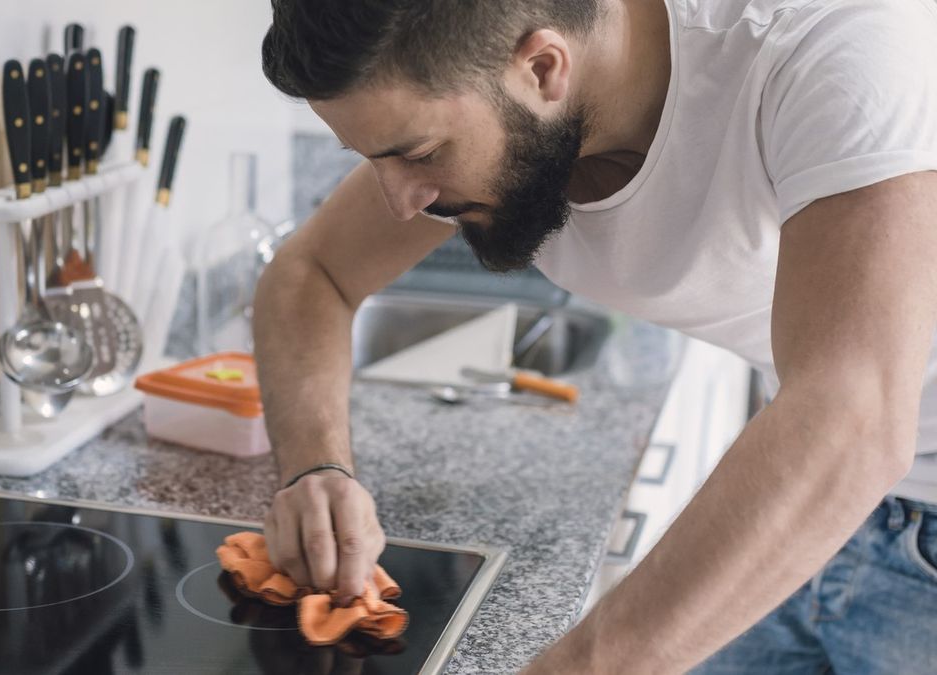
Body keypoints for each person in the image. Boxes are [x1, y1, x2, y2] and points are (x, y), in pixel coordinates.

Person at [252, 0, 937, 671]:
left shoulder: (836, 50)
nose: (400, 199)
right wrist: (317, 468)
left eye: (421, 154)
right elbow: (312, 272)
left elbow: (854, 419)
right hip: (814, 498)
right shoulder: (501, 111)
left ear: (545, 66)